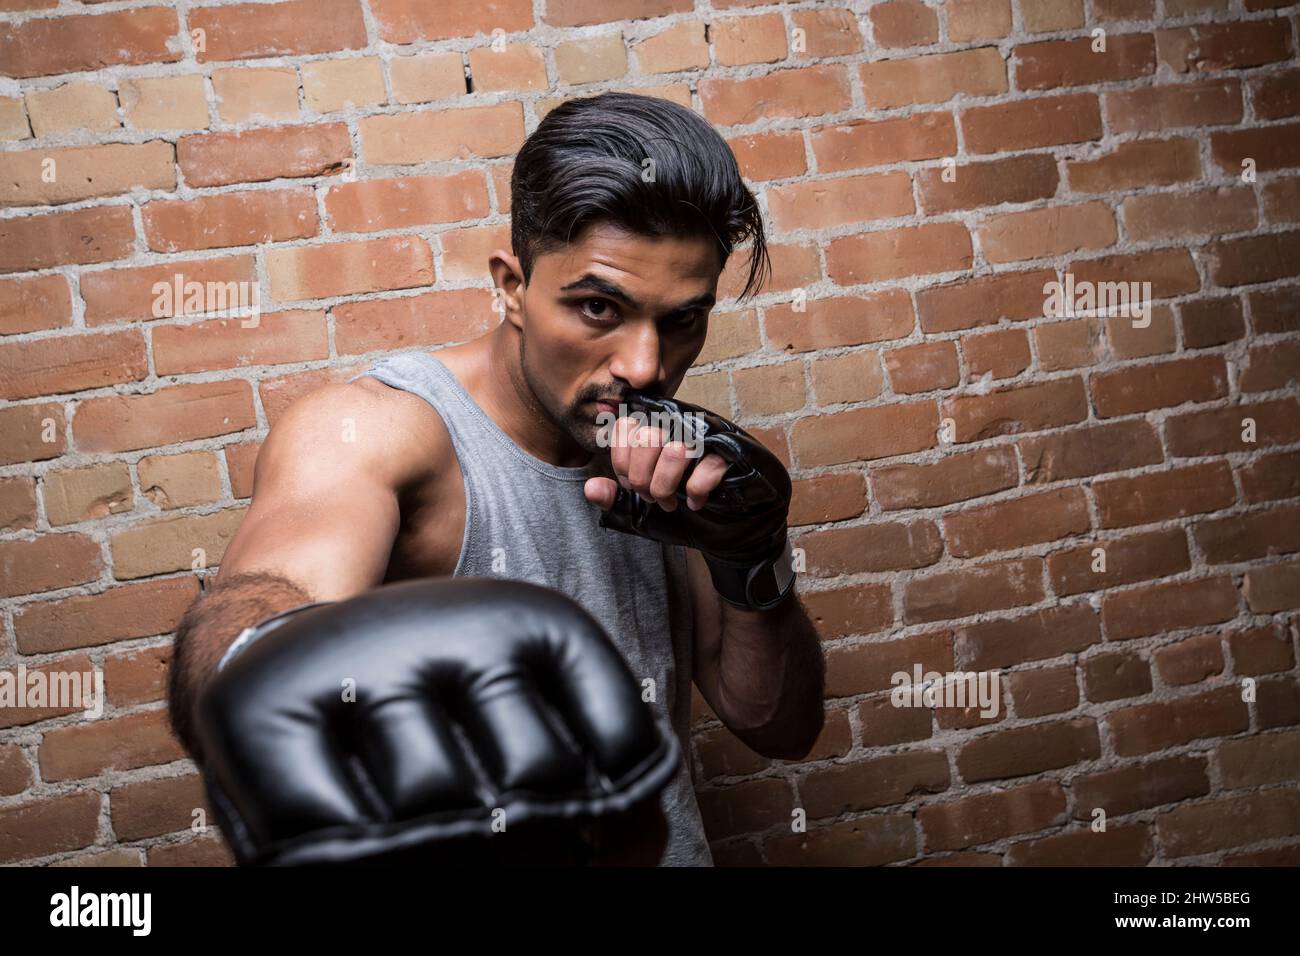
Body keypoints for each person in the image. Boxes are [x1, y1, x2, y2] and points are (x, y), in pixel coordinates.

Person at [168, 91, 826, 866]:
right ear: (511, 286)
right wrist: (263, 659)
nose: (645, 366)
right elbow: (254, 610)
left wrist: (754, 559)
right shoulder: (382, 431)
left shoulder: (668, 460)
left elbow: (778, 726)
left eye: (681, 319)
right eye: (597, 308)